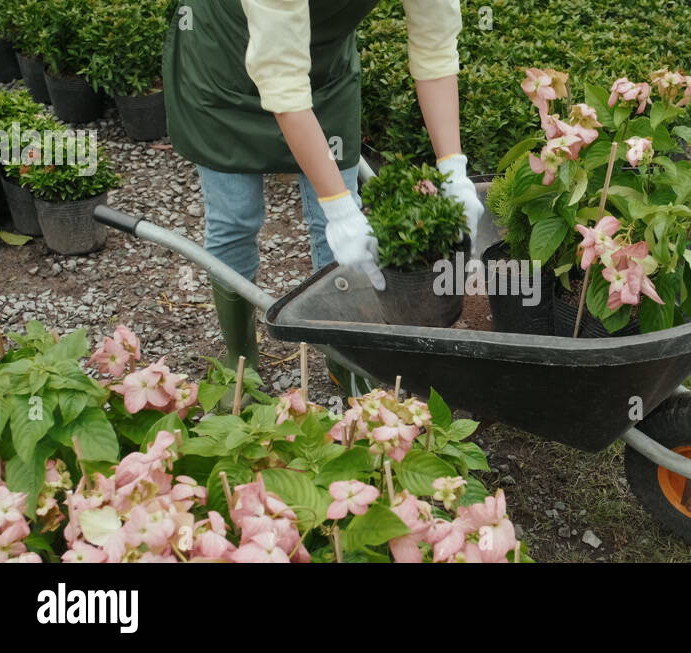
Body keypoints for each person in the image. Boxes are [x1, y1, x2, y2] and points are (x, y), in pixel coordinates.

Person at [162, 0, 483, 392]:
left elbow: (434, 47)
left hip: (323, 67)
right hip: (222, 63)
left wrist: (453, 169)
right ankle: (240, 362)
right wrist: (341, 210)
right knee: (235, 216)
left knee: (333, 226)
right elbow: (282, 81)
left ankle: (345, 361)